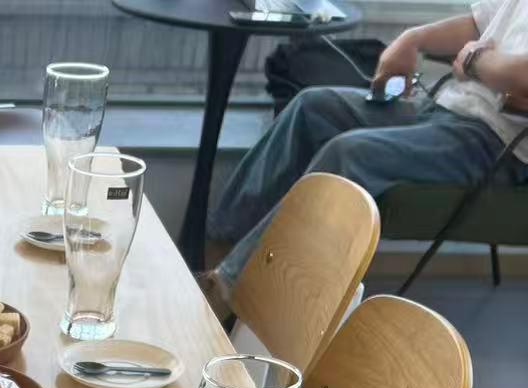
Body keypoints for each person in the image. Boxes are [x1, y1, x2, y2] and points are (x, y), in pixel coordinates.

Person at [204, 0, 528, 306]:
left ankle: (231, 290)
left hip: (495, 142)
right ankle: (222, 251)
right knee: (312, 107)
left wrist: (474, 60)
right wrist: (411, 39)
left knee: (349, 153)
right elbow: (479, 24)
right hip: (447, 106)